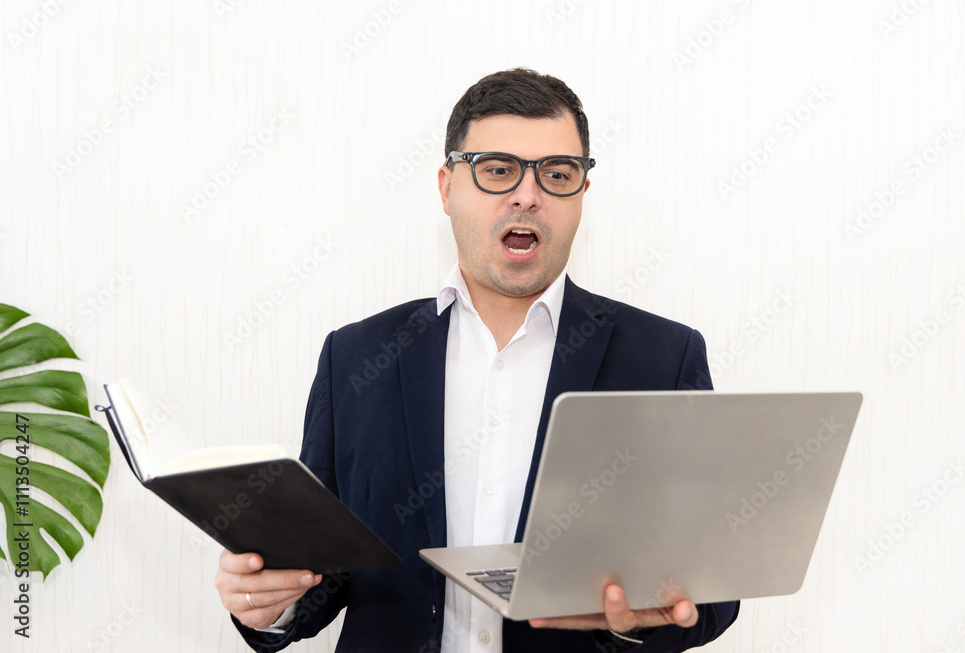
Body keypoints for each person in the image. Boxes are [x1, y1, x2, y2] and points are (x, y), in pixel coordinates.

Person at [214, 68, 739, 652]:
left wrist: (633, 617)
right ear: (446, 187)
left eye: (558, 174)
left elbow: (714, 594)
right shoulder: (356, 357)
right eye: (497, 170)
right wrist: (268, 605)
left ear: (582, 197)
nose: (527, 194)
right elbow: (326, 567)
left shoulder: (663, 358)